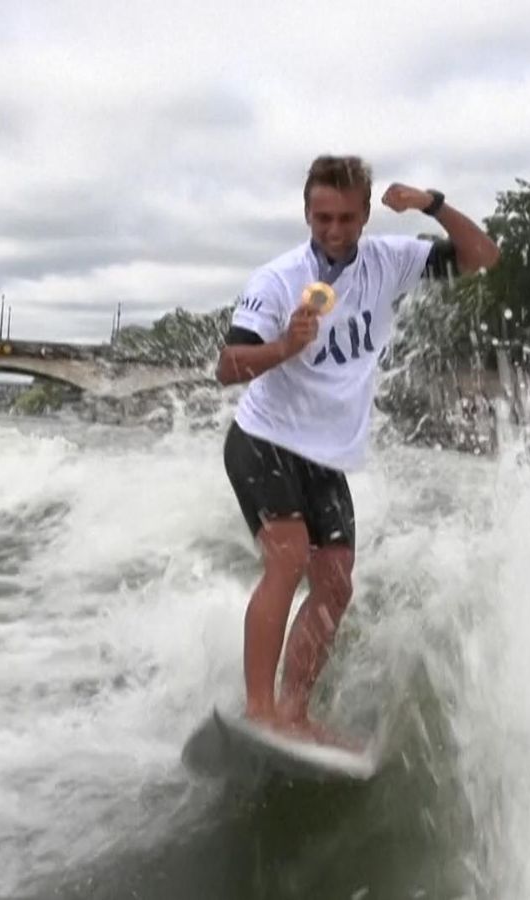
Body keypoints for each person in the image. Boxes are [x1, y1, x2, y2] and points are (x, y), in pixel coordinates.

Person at [215, 154, 500, 743]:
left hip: (326, 455)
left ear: (367, 215)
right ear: (307, 213)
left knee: (337, 583)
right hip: (263, 439)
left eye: (347, 217)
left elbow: (483, 257)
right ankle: (260, 710)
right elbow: (228, 366)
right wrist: (282, 348)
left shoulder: (389, 263)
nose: (334, 230)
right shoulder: (277, 279)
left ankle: (295, 712)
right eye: (322, 218)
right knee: (288, 560)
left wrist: (433, 205)